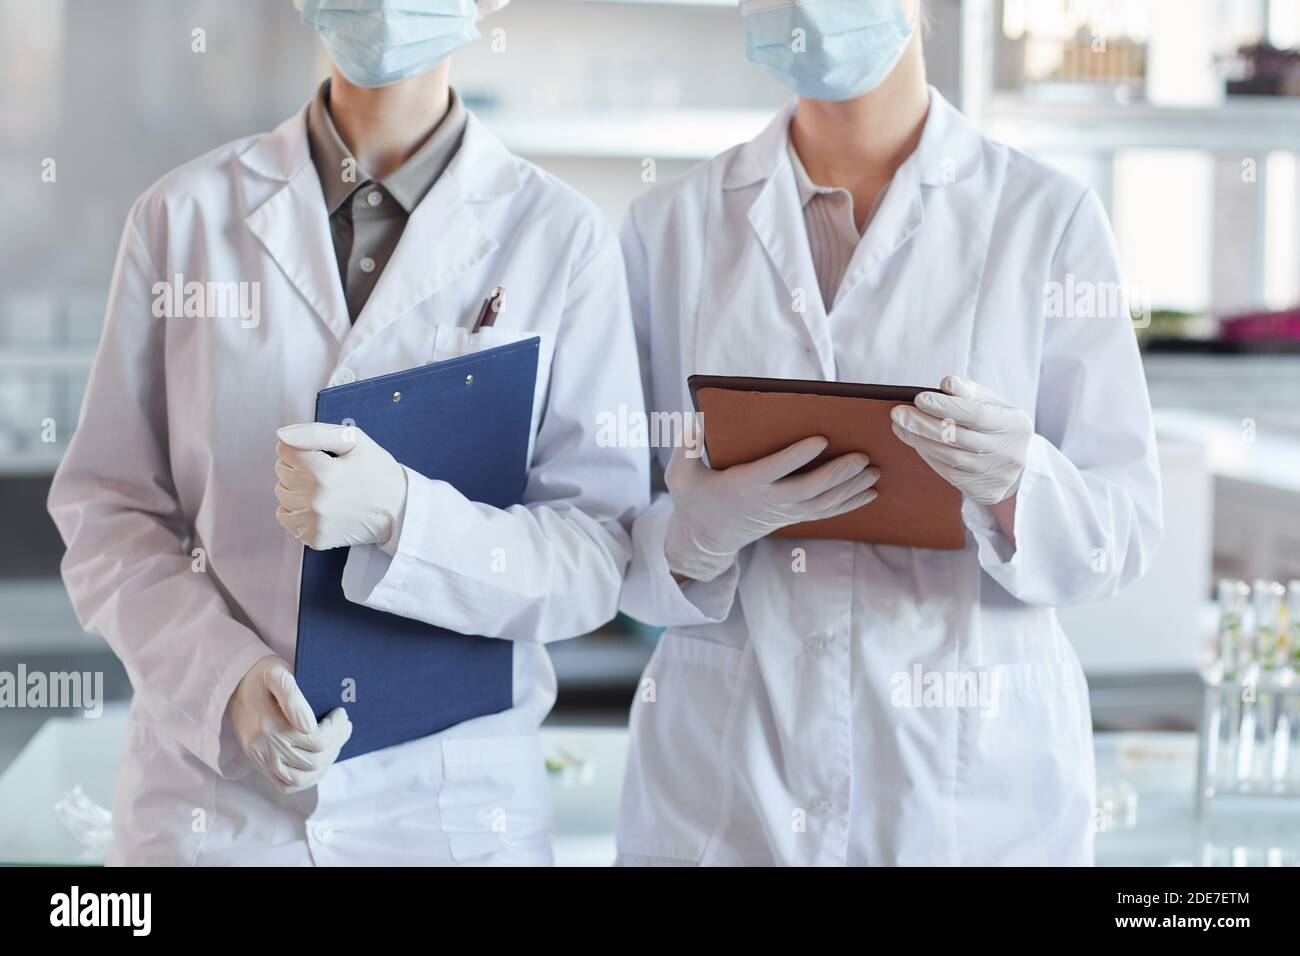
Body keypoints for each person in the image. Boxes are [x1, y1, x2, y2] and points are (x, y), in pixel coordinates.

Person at [47, 0, 647, 866]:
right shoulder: (181, 218)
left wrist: (407, 518)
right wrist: (228, 681)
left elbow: (596, 557)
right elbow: (109, 514)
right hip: (215, 806)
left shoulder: (559, 239)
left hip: (451, 809)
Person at [615, 0, 1162, 865]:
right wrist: (694, 535)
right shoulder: (669, 225)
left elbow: (1119, 537)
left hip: (971, 799)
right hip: (729, 795)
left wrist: (1019, 481)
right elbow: (607, 540)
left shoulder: (1045, 216)